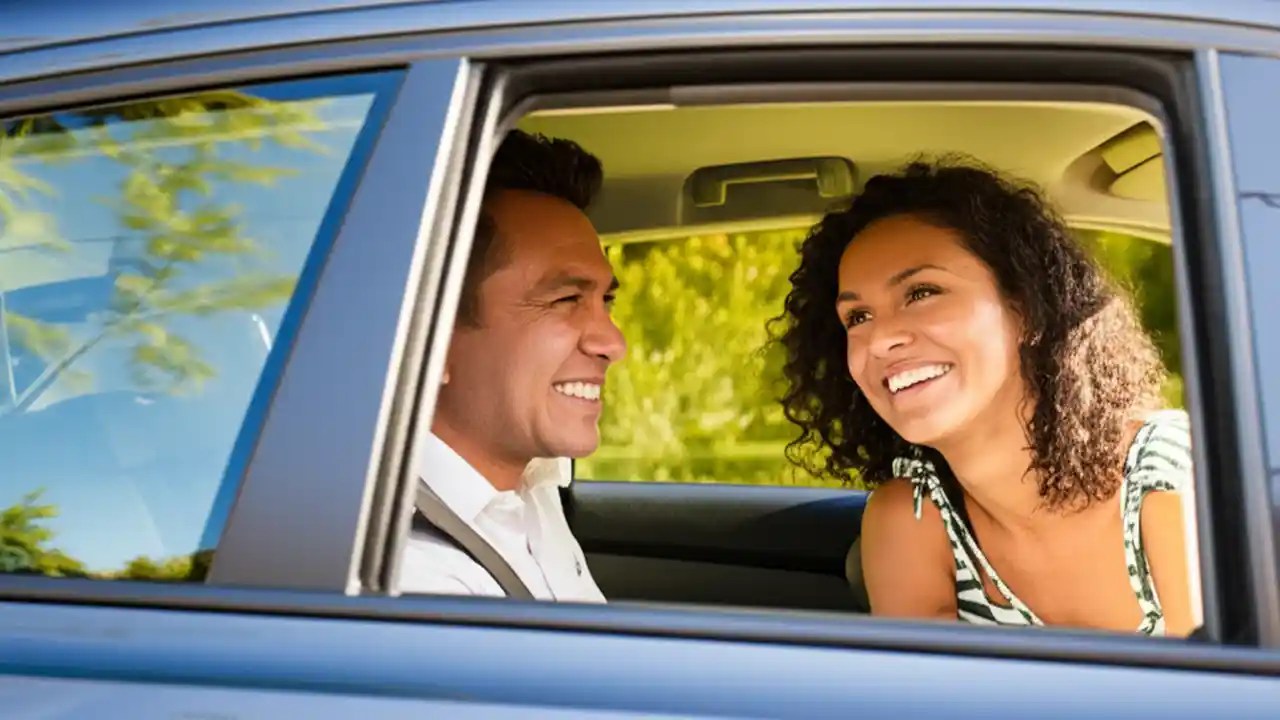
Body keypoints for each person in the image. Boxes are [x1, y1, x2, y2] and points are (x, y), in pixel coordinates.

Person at [778, 160, 1195, 635]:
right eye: (857, 318)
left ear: (1027, 309)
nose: (879, 340)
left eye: (921, 292)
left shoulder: (1169, 483)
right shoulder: (910, 517)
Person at [399, 129, 625, 602]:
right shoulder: (418, 578)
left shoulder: (530, 488)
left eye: (605, 301)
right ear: (430, 340)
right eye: (566, 299)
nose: (613, 342)